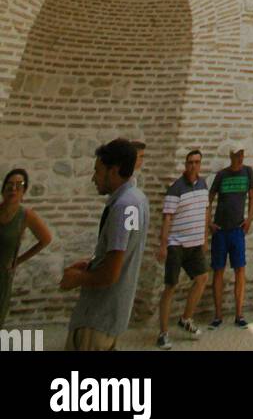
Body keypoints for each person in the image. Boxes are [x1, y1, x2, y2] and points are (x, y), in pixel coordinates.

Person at [60, 138, 150, 351]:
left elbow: (111, 274)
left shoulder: (123, 206)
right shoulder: (136, 200)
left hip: (98, 316)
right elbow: (122, 251)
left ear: (114, 171)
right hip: (113, 314)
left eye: (98, 171)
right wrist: (94, 263)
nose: (93, 178)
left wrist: (76, 278)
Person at [155, 149, 210, 349]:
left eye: (196, 162)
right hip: (176, 244)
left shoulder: (203, 185)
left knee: (202, 278)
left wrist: (204, 238)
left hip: (195, 244)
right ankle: (163, 333)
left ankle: (186, 318)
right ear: (185, 164)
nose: (193, 166)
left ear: (200, 164)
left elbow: (206, 211)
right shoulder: (176, 188)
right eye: (190, 162)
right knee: (170, 286)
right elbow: (167, 218)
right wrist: (163, 245)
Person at [208, 146, 253, 329]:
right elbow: (209, 198)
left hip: (237, 229)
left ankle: (239, 314)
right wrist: (209, 222)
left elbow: (252, 197)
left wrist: (249, 219)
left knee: (240, 270)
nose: (240, 158)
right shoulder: (221, 175)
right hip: (220, 230)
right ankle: (218, 315)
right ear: (231, 156)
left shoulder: (248, 172)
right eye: (237, 155)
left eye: (242, 154)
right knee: (218, 271)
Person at [0, 167, 52, 327]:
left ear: (24, 191)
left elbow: (46, 239)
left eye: (19, 185)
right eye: (10, 185)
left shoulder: (26, 216)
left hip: (2, 276)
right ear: (3, 190)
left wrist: (18, 261)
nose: (13, 189)